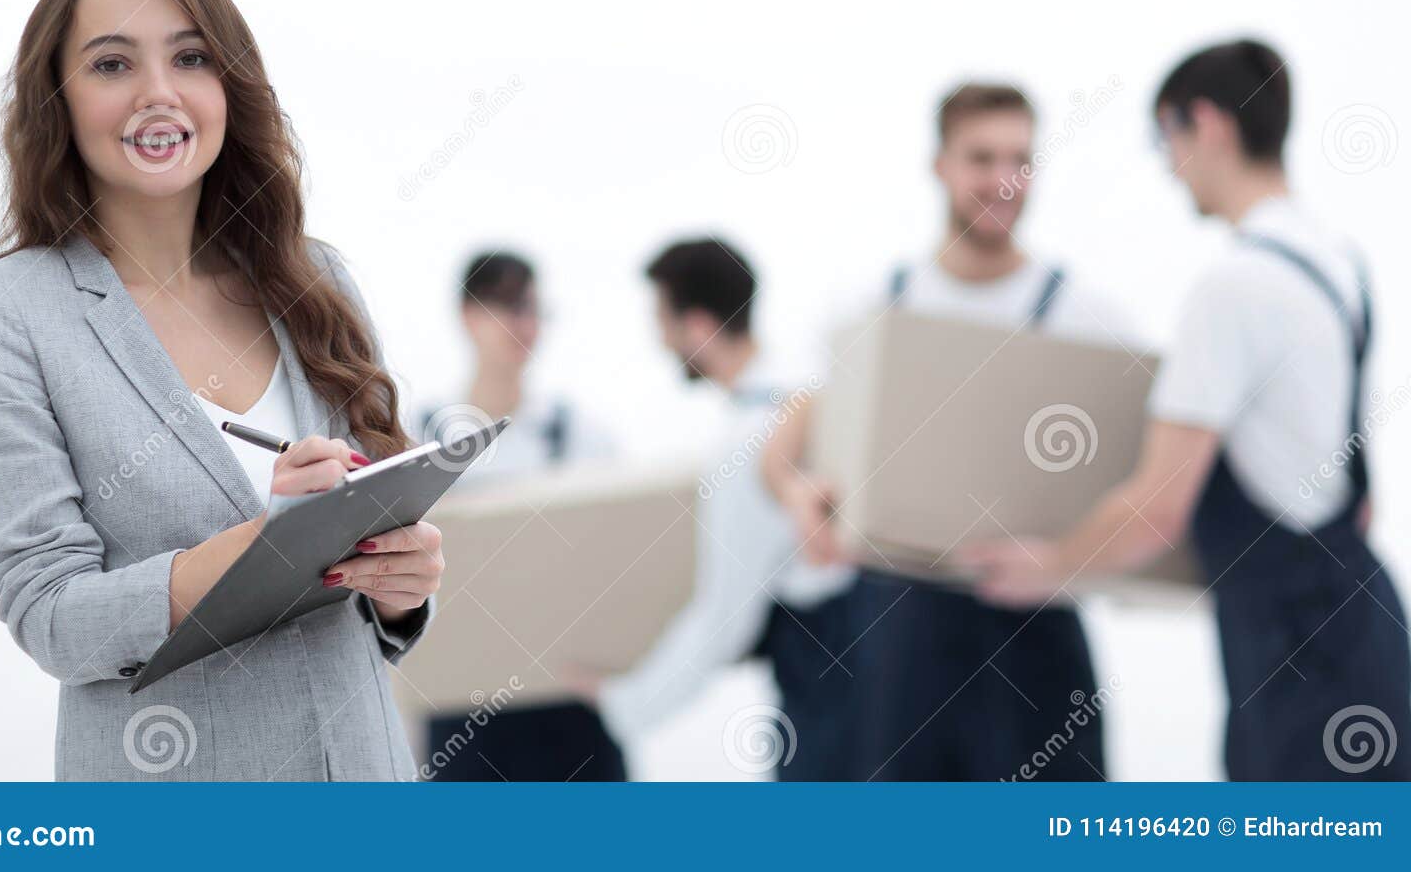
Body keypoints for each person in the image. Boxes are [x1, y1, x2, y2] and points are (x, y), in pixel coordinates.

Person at [0, 0, 443, 781]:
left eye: (191, 57)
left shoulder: (314, 279)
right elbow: (51, 618)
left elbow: (369, 587)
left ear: (227, 87)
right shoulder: (2, 314)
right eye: (111, 65)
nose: (158, 94)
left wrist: (403, 586)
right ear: (56, 100)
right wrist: (265, 547)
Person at [963, 39, 1411, 781]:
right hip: (1370, 642)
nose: (1170, 167)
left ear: (1204, 125)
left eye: (1164, 140)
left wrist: (1047, 566)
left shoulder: (1230, 288)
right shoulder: (1341, 262)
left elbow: (1156, 511)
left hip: (1296, 669)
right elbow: (1358, 500)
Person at [762, 82, 1135, 781]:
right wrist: (798, 496)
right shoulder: (878, 307)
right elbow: (781, 453)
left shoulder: (1091, 318)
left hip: (1036, 637)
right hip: (896, 638)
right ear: (940, 165)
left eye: (1020, 160)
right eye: (981, 157)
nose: (1002, 180)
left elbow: (1145, 484)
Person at [570, 237, 874, 780]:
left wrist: (624, 701)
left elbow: (724, 619)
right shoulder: (810, 392)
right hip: (876, 677)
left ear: (699, 327)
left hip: (832, 701)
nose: (662, 343)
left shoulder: (748, 442)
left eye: (664, 324)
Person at [416, 250, 623, 781]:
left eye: (532, 308)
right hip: (462, 711)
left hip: (570, 704)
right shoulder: (416, 439)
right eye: (507, 305)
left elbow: (619, 563)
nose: (524, 324)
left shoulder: (582, 436)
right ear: (468, 316)